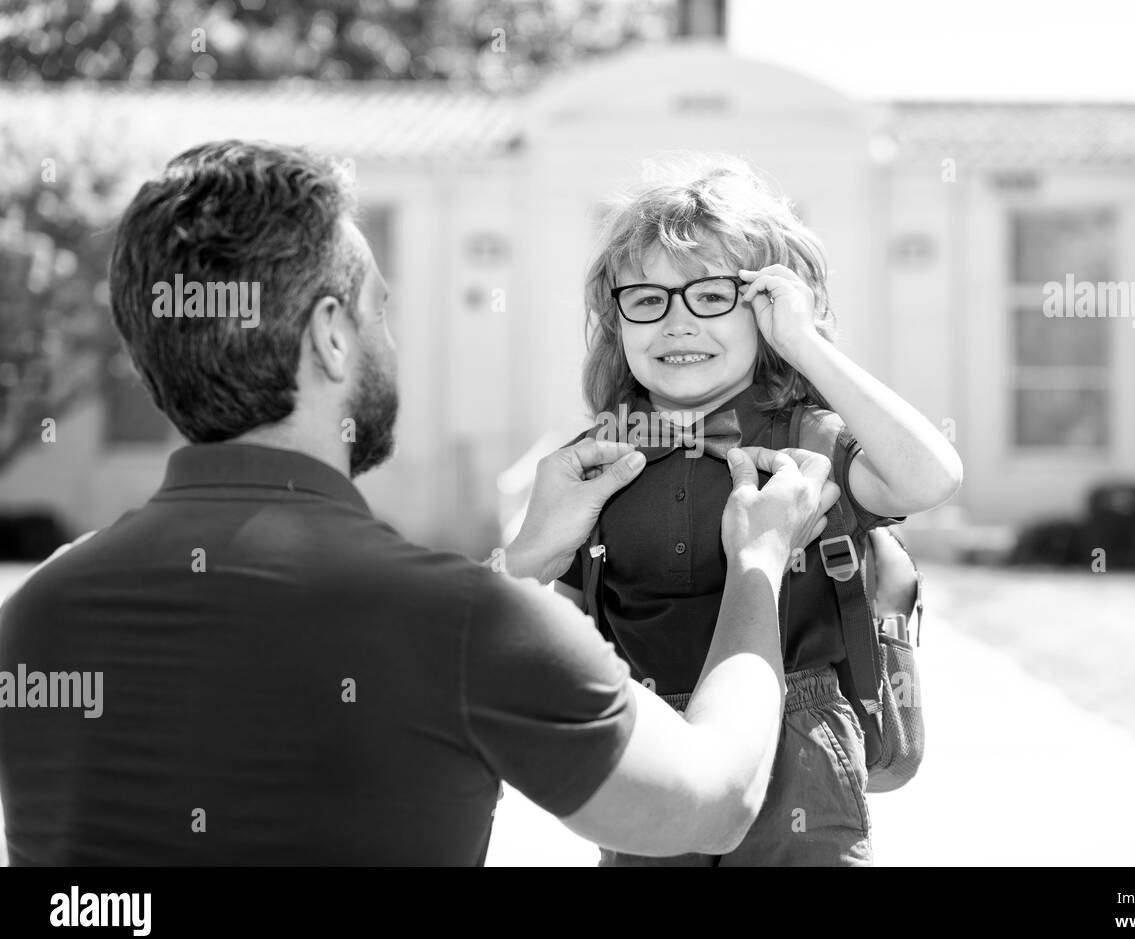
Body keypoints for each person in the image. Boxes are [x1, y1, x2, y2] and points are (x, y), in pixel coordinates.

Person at [0, 140, 838, 866]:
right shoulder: (470, 622)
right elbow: (713, 800)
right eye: (379, 312)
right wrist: (759, 564)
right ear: (332, 335)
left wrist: (526, 560)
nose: (388, 343)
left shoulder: (41, 612)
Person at [555, 154, 964, 866]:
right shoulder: (596, 460)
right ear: (614, 318)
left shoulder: (807, 441)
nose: (676, 323)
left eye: (710, 296)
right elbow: (550, 616)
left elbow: (929, 477)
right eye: (646, 299)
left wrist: (805, 346)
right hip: (655, 751)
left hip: (797, 751)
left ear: (766, 309)